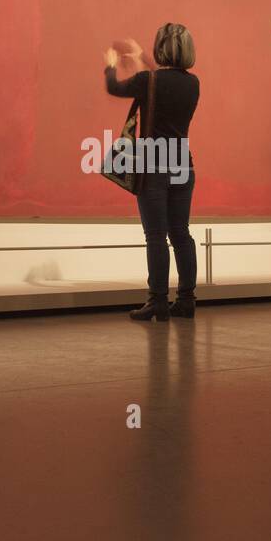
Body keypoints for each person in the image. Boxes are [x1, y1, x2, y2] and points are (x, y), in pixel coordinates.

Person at [104, 24, 200, 321]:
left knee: (156, 236)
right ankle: (186, 300)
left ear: (160, 48)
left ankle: (157, 301)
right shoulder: (193, 83)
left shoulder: (149, 80)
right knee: (181, 234)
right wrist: (142, 58)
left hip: (153, 166)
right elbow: (163, 83)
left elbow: (116, 87)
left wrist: (110, 65)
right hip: (183, 165)